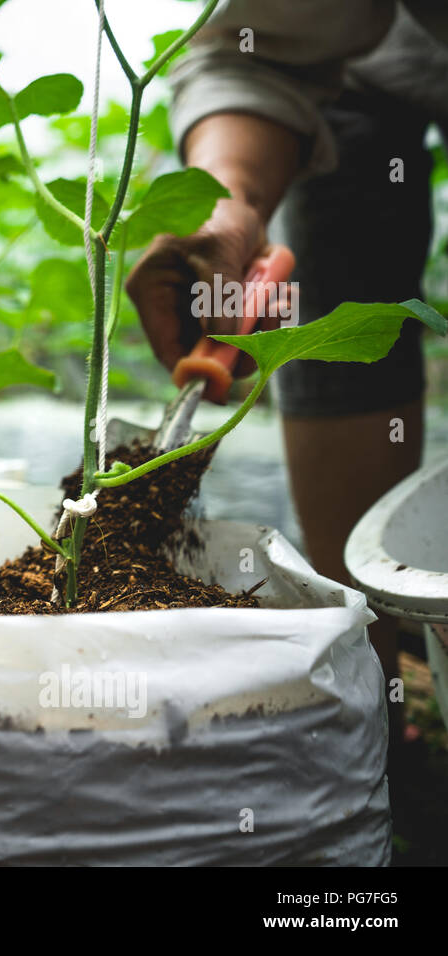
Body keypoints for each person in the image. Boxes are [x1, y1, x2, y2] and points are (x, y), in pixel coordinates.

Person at [125, 1, 448, 755]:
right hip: (379, 66)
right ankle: (366, 693)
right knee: (344, 203)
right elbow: (257, 50)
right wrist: (227, 198)